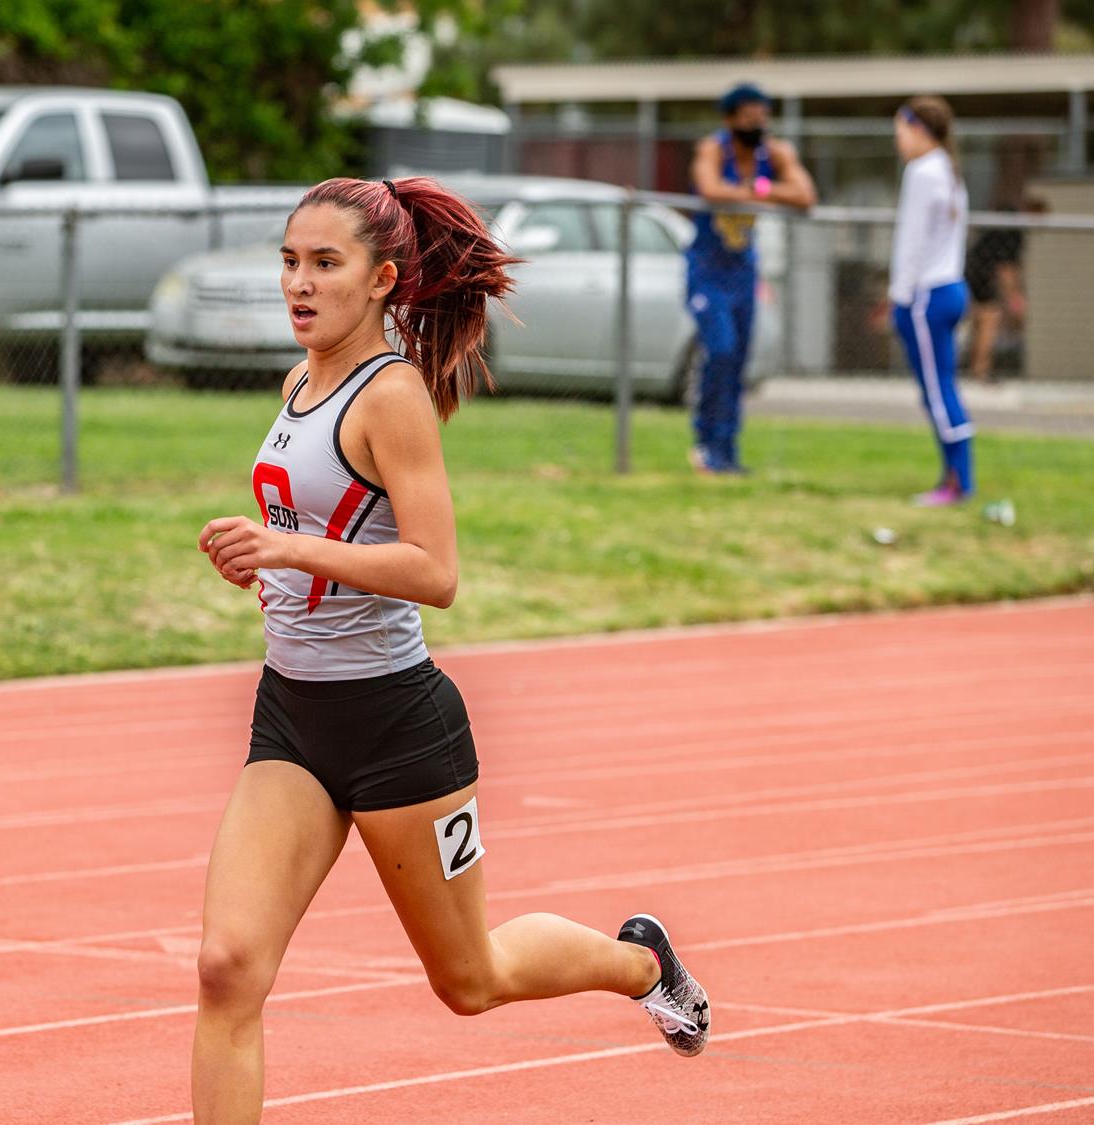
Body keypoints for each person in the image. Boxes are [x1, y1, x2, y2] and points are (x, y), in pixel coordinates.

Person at [191, 176, 710, 1120]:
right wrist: (263, 567)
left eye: (324, 264)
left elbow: (436, 570)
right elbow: (319, 532)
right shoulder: (299, 380)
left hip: (398, 726)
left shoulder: (392, 396)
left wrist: (287, 547)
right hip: (294, 716)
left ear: (384, 278)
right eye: (289, 262)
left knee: (470, 979)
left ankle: (642, 963)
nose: (298, 284)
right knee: (228, 967)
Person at [685, 83, 817, 474]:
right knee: (720, 351)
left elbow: (805, 194)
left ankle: (727, 450)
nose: (757, 123)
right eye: (748, 117)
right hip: (708, 271)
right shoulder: (714, 149)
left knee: (738, 360)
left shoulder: (774, 153)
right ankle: (705, 441)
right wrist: (765, 193)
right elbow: (710, 188)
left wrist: (756, 188)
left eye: (762, 116)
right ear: (729, 120)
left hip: (743, 271)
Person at [889, 95, 975, 507]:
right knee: (939, 389)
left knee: (939, 392)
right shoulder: (947, 170)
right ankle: (955, 476)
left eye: (901, 132)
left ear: (919, 129)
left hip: (927, 294)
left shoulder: (923, 172)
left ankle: (958, 481)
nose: (899, 141)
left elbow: (913, 243)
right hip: (949, 288)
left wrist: (899, 297)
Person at [964, 193, 1047, 382]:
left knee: (980, 319)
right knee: (989, 319)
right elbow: (1007, 269)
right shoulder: (1014, 229)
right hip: (982, 273)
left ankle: (976, 367)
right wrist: (1015, 299)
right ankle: (980, 370)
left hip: (973, 268)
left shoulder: (1009, 219)